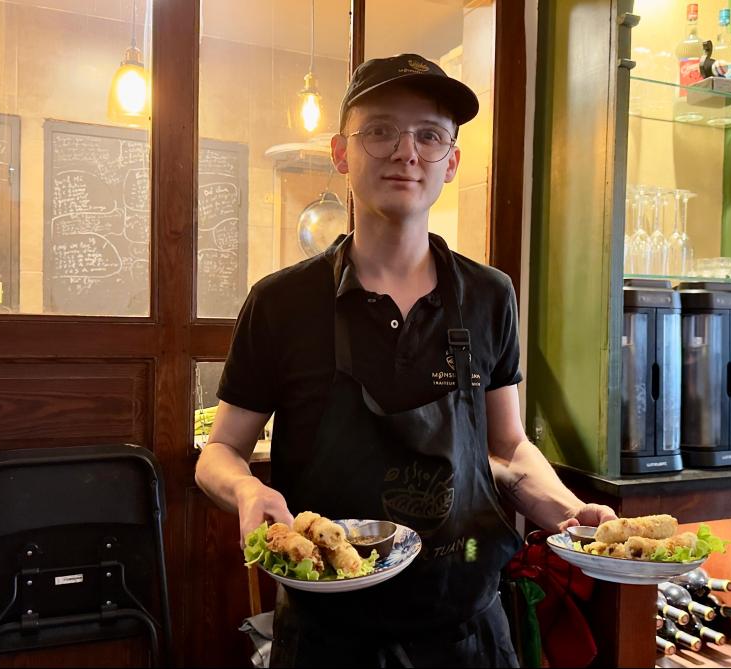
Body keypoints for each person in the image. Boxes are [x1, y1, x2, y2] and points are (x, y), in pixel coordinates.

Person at [195, 53, 616, 668]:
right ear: (343, 152)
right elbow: (220, 450)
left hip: (469, 632)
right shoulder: (282, 301)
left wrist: (570, 513)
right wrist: (245, 491)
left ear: (452, 159)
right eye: (381, 131)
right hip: (328, 641)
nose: (406, 151)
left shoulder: (490, 295)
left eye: (429, 135)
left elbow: (508, 448)